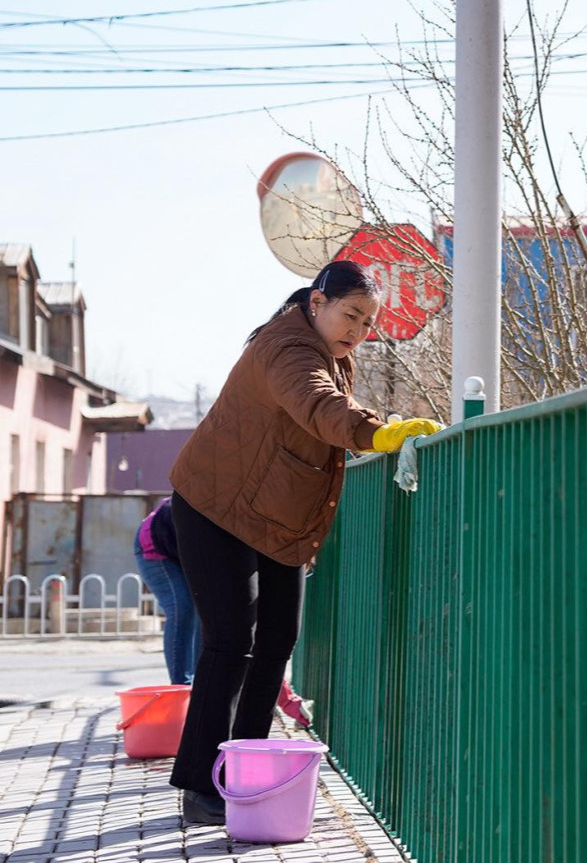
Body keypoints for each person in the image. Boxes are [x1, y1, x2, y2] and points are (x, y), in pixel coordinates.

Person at [166, 260, 440, 826]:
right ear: (317, 302)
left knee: (278, 640)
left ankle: (244, 768)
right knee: (229, 639)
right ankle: (199, 786)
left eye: (367, 323)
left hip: (274, 516)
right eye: (351, 315)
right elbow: (319, 407)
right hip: (216, 505)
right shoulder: (287, 348)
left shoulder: (332, 355)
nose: (358, 332)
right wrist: (380, 430)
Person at [133, 496, 200, 685]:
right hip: (156, 543)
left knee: (208, 612)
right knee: (182, 607)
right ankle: (182, 685)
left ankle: (203, 683)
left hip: (184, 547)